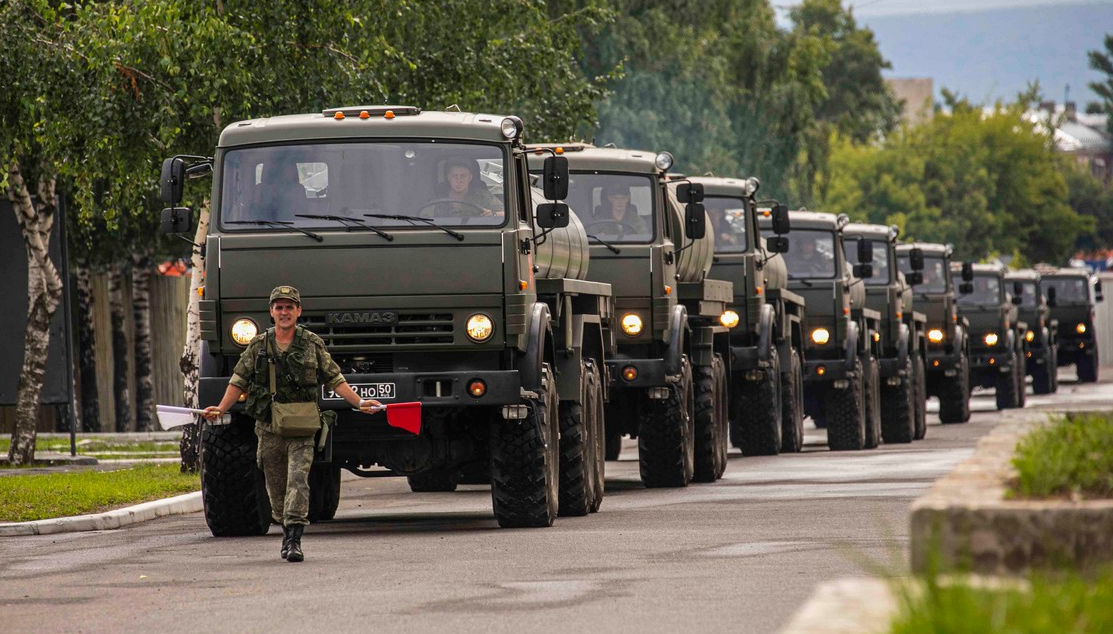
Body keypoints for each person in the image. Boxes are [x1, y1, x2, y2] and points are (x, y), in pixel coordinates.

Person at [203, 285, 381, 563]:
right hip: (269, 426)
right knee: (276, 487)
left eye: (289, 307)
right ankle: (286, 526)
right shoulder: (258, 345)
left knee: (298, 480)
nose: (284, 312)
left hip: (301, 424)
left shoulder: (311, 343)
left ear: (299, 311)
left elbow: (335, 378)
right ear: (271, 312)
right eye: (279, 307)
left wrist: (358, 403)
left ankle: (294, 539)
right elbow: (238, 380)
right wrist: (221, 408)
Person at [427, 158, 504, 218]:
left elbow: (506, 214)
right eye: (455, 176)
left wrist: (493, 214)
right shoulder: (438, 198)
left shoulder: (483, 196)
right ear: (449, 177)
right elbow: (422, 218)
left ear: (470, 178)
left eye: (463, 176)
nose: (459, 180)